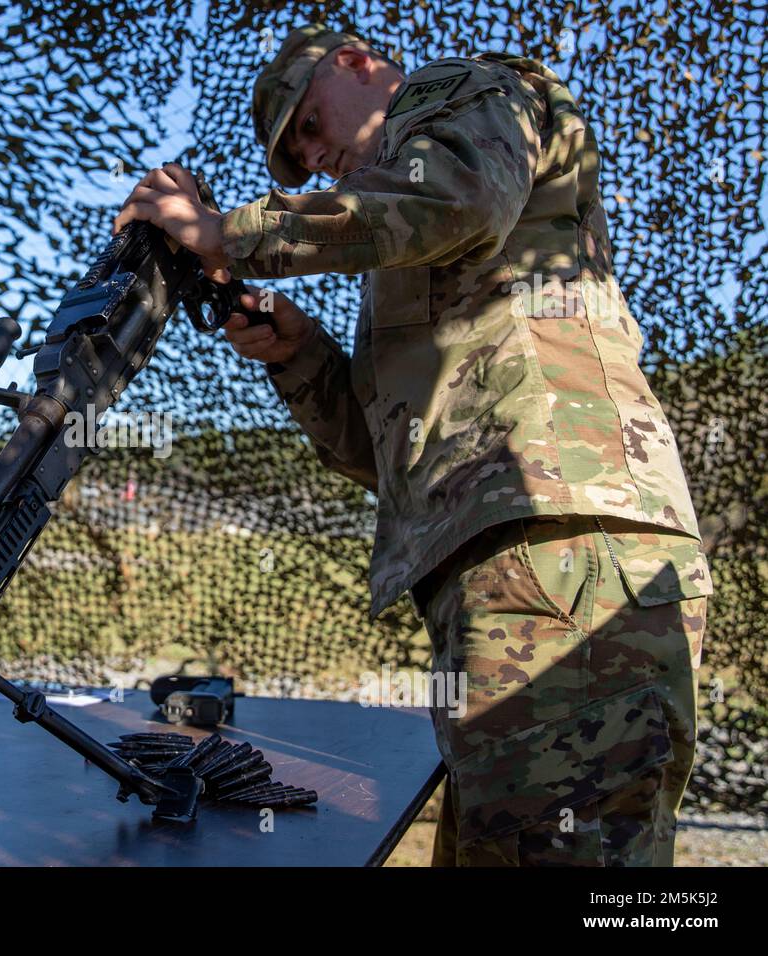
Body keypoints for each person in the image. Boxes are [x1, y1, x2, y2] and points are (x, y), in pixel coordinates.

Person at [113, 24, 713, 865]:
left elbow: (460, 200)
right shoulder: (402, 256)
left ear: (356, 63)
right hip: (507, 568)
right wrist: (301, 357)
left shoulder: (466, 92)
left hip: (564, 542)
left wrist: (234, 233)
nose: (315, 156)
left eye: (311, 124)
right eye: (297, 152)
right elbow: (387, 459)